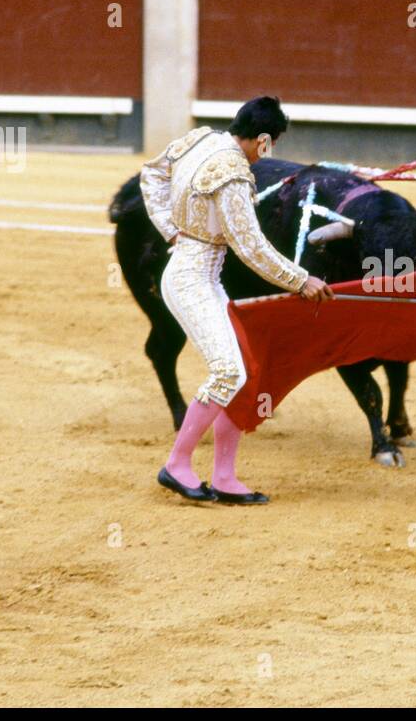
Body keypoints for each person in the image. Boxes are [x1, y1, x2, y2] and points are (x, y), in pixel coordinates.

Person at [140, 97, 334, 506]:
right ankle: (177, 464)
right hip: (193, 280)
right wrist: (301, 280)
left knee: (243, 369)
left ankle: (224, 477)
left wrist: (171, 230)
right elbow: (250, 247)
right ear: (263, 141)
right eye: (271, 144)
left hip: (196, 273)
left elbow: (151, 173)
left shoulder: (199, 140)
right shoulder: (234, 177)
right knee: (227, 371)